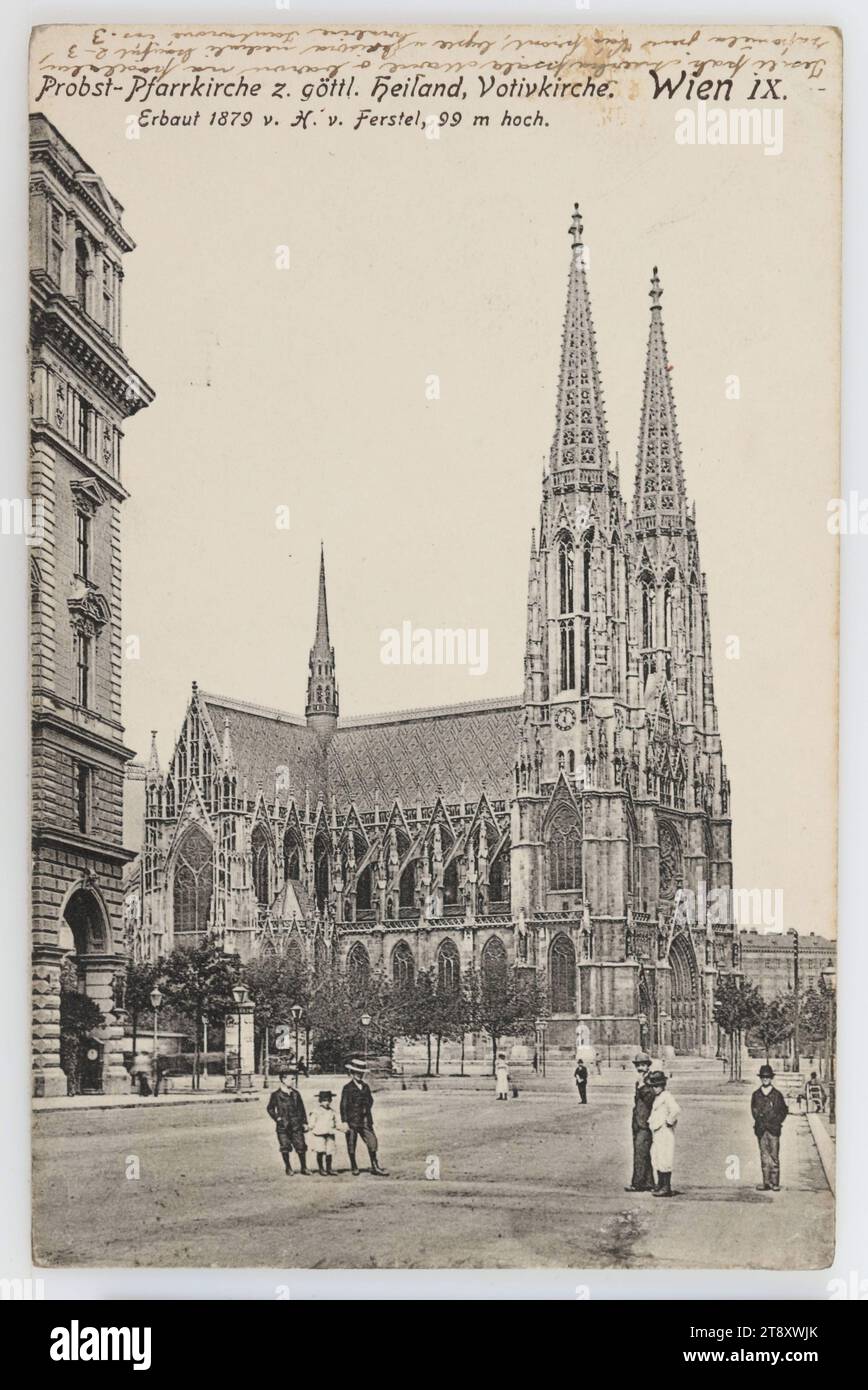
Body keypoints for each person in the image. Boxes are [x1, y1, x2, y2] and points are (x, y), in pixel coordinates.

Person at [340, 1060, 388, 1176]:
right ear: (351, 1073)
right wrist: (345, 1121)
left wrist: (365, 1109)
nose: (359, 1075)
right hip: (352, 1120)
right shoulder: (347, 1088)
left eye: (361, 1073)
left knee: (372, 1141)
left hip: (365, 1119)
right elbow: (343, 1105)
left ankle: (375, 1166)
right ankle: (354, 1166)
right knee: (352, 1143)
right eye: (356, 1073)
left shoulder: (365, 1087)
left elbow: (370, 1100)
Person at [751, 1064, 788, 1191]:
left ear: (771, 1078)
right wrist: (760, 1120)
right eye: (763, 1077)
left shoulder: (777, 1095)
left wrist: (776, 1122)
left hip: (773, 1130)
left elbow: (783, 1111)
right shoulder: (756, 1094)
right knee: (764, 1156)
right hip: (761, 1130)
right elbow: (754, 1110)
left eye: (767, 1077)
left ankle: (775, 1183)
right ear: (760, 1079)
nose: (765, 1079)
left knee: (774, 1156)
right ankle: (766, 1182)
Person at [266, 1069, 310, 1175]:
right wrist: (277, 1118)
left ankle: (304, 1167)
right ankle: (288, 1167)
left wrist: (304, 1123)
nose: (293, 1081)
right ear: (283, 1079)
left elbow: (301, 1109)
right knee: (285, 1147)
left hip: (296, 1125)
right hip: (283, 1126)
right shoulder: (276, 1095)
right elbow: (270, 1108)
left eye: (294, 1079)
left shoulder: (296, 1094)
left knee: (301, 1146)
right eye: (292, 1079)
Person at [625, 1052, 656, 1192]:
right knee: (643, 1152)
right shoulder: (640, 1079)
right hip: (638, 1121)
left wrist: (643, 1086)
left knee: (640, 1152)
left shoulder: (650, 1080)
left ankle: (637, 1184)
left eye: (643, 1065)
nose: (640, 1068)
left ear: (648, 1066)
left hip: (645, 1122)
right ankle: (649, 1182)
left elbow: (650, 1099)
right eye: (638, 1065)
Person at [648, 1070, 680, 1197]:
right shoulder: (658, 1097)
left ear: (663, 1085)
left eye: (657, 1086)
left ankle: (666, 1186)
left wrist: (669, 1121)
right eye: (653, 1086)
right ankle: (660, 1183)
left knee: (665, 1157)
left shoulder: (667, 1096)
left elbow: (676, 1110)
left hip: (664, 1131)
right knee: (656, 1156)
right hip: (657, 1130)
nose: (654, 1088)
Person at [308, 1090, 340, 1175]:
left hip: (329, 1133)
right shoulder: (315, 1111)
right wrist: (308, 1128)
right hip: (319, 1134)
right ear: (320, 1101)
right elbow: (311, 1123)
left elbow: (336, 1123)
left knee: (329, 1152)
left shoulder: (332, 1112)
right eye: (325, 1100)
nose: (327, 1102)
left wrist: (341, 1128)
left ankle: (329, 1168)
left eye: (329, 1100)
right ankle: (321, 1168)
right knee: (320, 1151)